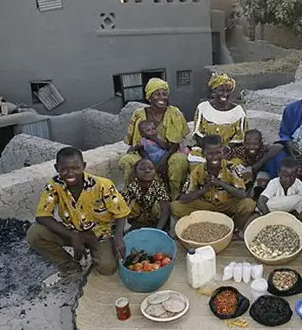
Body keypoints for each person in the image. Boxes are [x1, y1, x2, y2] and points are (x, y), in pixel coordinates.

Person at [27, 147, 131, 283]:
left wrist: (118, 238)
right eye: (64, 169)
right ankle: (70, 266)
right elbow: (42, 215)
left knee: (107, 268)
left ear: (84, 166)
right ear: (56, 168)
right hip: (71, 231)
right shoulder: (54, 185)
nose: (70, 173)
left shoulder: (102, 185)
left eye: (75, 168)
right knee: (34, 234)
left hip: (100, 234)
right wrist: (73, 235)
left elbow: (121, 213)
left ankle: (94, 252)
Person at [171, 134, 256, 238]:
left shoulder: (231, 167)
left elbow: (242, 194)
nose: (215, 157)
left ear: (223, 152)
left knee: (248, 204)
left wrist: (221, 184)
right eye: (210, 154)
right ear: (203, 154)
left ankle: (235, 229)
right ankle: (200, 226)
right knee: (176, 206)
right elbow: (184, 198)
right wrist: (204, 189)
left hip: (226, 204)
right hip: (205, 205)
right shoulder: (198, 170)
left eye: (218, 152)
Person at [119, 78, 189, 199]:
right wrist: (149, 162)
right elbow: (137, 142)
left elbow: (175, 143)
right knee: (127, 160)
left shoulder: (174, 113)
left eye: (164, 94)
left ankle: (174, 196)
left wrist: (163, 160)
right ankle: (133, 196)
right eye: (157, 94)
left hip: (169, 152)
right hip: (145, 153)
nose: (161, 97)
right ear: (149, 97)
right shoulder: (139, 114)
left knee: (179, 160)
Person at [191, 72, 248, 153]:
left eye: (228, 91)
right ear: (214, 90)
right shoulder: (203, 108)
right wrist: (209, 150)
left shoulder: (238, 111)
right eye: (221, 90)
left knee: (234, 164)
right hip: (206, 150)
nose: (225, 94)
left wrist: (226, 149)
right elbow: (198, 132)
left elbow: (241, 136)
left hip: (230, 151)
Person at [227, 129, 283, 197]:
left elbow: (279, 146)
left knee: (261, 175)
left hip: (260, 177)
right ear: (244, 143)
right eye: (248, 144)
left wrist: (256, 166)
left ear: (261, 143)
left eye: (255, 144)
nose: (251, 147)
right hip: (244, 177)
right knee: (236, 163)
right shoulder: (241, 151)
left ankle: (257, 195)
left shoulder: (263, 149)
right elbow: (228, 153)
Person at [121, 158, 171, 231]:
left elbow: (165, 211)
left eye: (151, 168)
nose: (147, 171)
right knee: (129, 202)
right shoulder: (132, 187)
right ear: (135, 173)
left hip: (156, 221)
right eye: (142, 169)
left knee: (160, 205)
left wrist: (158, 230)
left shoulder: (158, 187)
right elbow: (121, 206)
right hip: (138, 220)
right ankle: (137, 226)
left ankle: (157, 227)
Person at [257, 157, 302, 221]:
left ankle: (297, 219)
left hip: (291, 209)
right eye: (285, 176)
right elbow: (261, 201)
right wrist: (269, 218)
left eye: (292, 176)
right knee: (266, 203)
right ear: (279, 173)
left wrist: (299, 219)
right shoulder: (274, 182)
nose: (288, 180)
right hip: (273, 210)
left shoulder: (297, 182)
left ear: (296, 174)